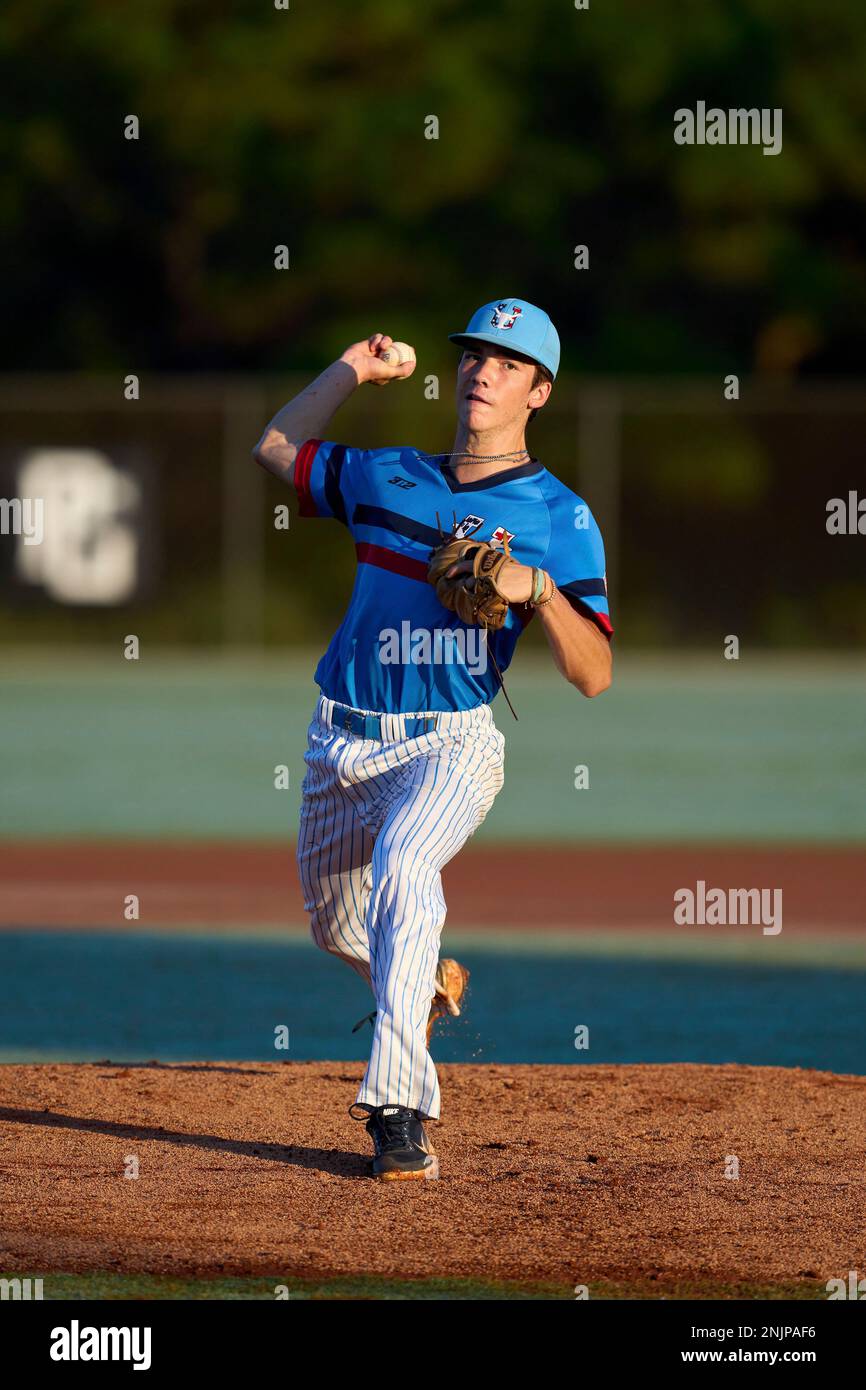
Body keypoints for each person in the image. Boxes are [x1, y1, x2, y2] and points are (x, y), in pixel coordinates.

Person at [252, 298, 613, 1180]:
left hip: (450, 742)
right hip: (339, 738)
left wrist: (538, 592)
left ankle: (399, 1111)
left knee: (408, 869)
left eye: (506, 362)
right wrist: (352, 369)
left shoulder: (559, 518)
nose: (482, 371)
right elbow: (275, 452)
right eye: (473, 356)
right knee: (340, 928)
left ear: (539, 391)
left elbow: (594, 671)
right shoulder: (391, 475)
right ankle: (427, 977)